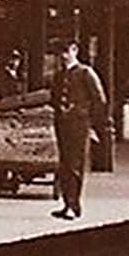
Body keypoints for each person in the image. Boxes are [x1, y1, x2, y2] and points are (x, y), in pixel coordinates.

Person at [49, 37, 110, 222]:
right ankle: (68, 204)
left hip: (79, 124)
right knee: (65, 164)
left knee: (75, 165)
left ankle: (73, 205)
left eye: (66, 52)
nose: (63, 56)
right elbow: (55, 98)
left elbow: (100, 100)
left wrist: (92, 122)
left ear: (75, 50)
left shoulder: (86, 73)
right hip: (63, 124)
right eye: (60, 53)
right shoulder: (59, 76)